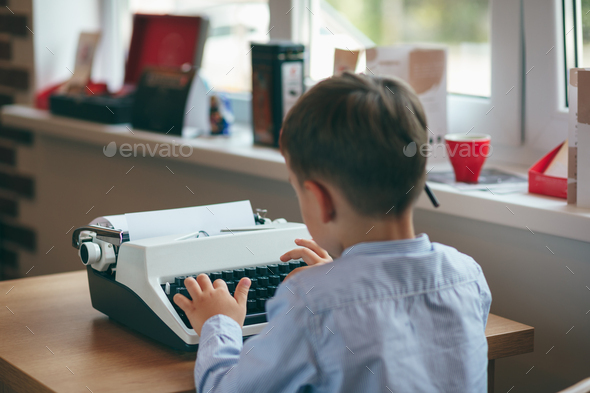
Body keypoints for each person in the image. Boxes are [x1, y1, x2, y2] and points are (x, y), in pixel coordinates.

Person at [174, 72, 492, 392]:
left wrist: (219, 323)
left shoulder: (313, 302)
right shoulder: (467, 275)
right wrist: (339, 278)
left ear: (320, 199)